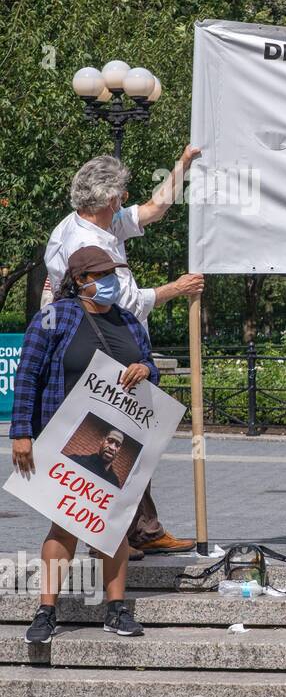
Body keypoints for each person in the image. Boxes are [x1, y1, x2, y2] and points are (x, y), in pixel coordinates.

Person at [43, 151, 204, 560]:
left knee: (129, 440)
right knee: (119, 441)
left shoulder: (95, 218)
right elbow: (127, 300)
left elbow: (153, 209)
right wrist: (180, 288)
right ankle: (112, 536)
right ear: (107, 199)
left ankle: (141, 529)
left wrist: (182, 164)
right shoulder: (86, 242)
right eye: (120, 195)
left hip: (105, 344)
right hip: (100, 350)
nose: (124, 200)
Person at [10, 246, 161, 643]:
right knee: (65, 526)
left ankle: (115, 609)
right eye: (101, 274)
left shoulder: (128, 320)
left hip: (122, 437)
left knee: (113, 528)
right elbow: (27, 376)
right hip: (66, 437)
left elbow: (150, 365)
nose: (110, 281)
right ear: (79, 280)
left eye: (112, 273)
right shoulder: (54, 317)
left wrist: (147, 369)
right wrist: (21, 433)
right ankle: (46, 611)